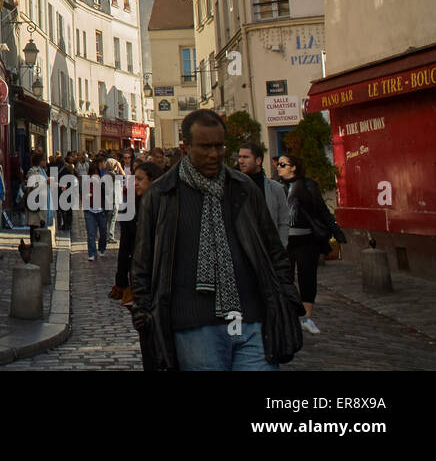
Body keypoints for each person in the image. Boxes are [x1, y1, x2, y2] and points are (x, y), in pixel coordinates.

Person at [131, 109, 303, 371]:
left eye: (219, 146)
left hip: (251, 319)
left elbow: (272, 249)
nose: (214, 154)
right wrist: (146, 314)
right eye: (205, 147)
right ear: (185, 147)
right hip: (193, 325)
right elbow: (143, 263)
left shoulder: (244, 189)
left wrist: (287, 298)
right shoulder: (162, 195)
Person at [277, 152, 334, 336]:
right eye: (278, 164)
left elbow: (320, 210)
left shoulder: (308, 185)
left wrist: (335, 232)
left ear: (293, 167)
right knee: (284, 277)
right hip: (285, 240)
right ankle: (289, 314)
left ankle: (307, 317)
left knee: (307, 277)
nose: (279, 167)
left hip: (306, 239)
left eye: (283, 164)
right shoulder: (275, 186)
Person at [110, 161, 162, 304]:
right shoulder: (130, 209)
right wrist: (121, 281)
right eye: (135, 179)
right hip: (140, 273)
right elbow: (125, 247)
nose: (135, 183)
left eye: (140, 179)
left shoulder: (167, 206)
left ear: (153, 180)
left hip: (163, 273)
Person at [238, 140, 290, 247]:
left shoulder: (276, 188)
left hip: (270, 250)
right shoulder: (234, 187)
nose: (241, 161)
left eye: (246, 157)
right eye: (240, 157)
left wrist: (281, 246)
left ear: (258, 161)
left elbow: (284, 221)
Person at [83, 154, 110, 261]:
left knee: (103, 232)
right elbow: (83, 195)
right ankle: (92, 253)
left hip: (101, 210)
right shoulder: (87, 182)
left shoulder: (102, 181)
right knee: (91, 233)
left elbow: (106, 194)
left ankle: (102, 248)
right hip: (89, 210)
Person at [24, 151, 49, 241]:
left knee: (40, 224)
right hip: (35, 203)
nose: (45, 162)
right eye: (44, 160)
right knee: (35, 225)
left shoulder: (42, 171)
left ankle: (38, 246)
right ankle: (35, 247)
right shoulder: (33, 171)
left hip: (40, 202)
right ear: (40, 161)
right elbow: (33, 184)